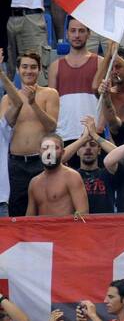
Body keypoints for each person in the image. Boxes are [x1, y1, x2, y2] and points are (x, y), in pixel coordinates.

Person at [0, 50, 60, 217]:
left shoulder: (50, 93)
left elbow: (51, 127)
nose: (29, 71)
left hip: (42, 161)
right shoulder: (7, 99)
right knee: (17, 212)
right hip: (15, 163)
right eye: (24, 67)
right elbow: (5, 127)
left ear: (40, 70)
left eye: (33, 67)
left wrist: (33, 103)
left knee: (45, 209)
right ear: (18, 70)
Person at [25, 133, 87, 216]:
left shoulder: (71, 176)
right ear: (39, 152)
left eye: (55, 148)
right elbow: (29, 220)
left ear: (63, 152)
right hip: (42, 228)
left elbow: (83, 213)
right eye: (45, 148)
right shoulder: (34, 183)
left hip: (66, 228)